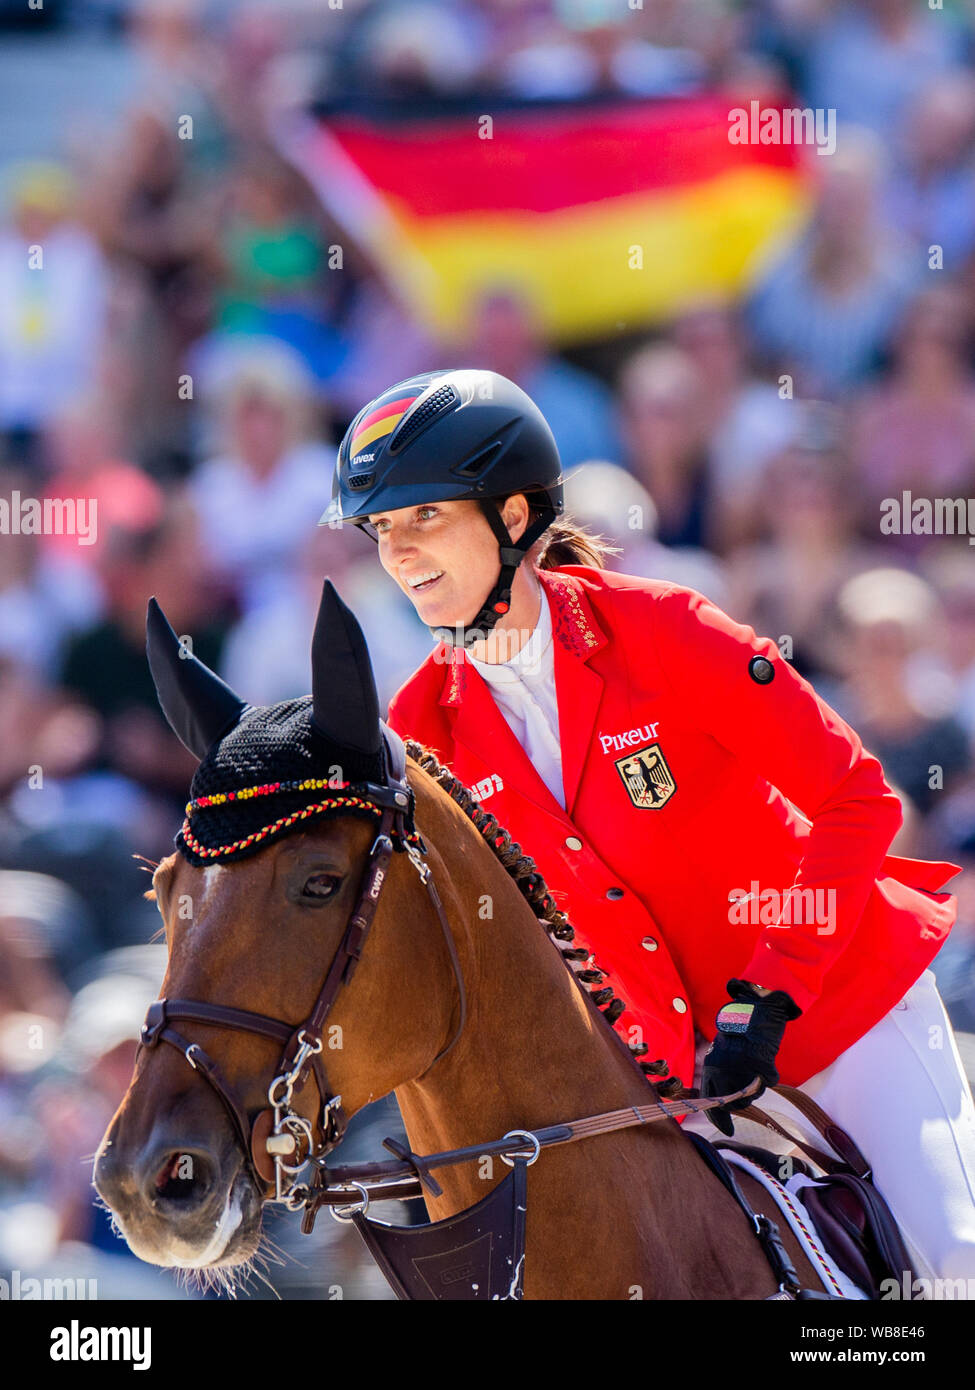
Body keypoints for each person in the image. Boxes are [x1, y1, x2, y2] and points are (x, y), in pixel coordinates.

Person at [323, 366, 975, 1285]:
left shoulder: (664, 629)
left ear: (513, 516)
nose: (397, 551)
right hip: (681, 1077)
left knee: (953, 1261)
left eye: (422, 516)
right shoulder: (422, 729)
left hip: (839, 1010)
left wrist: (770, 993)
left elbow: (856, 801)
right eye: (381, 527)